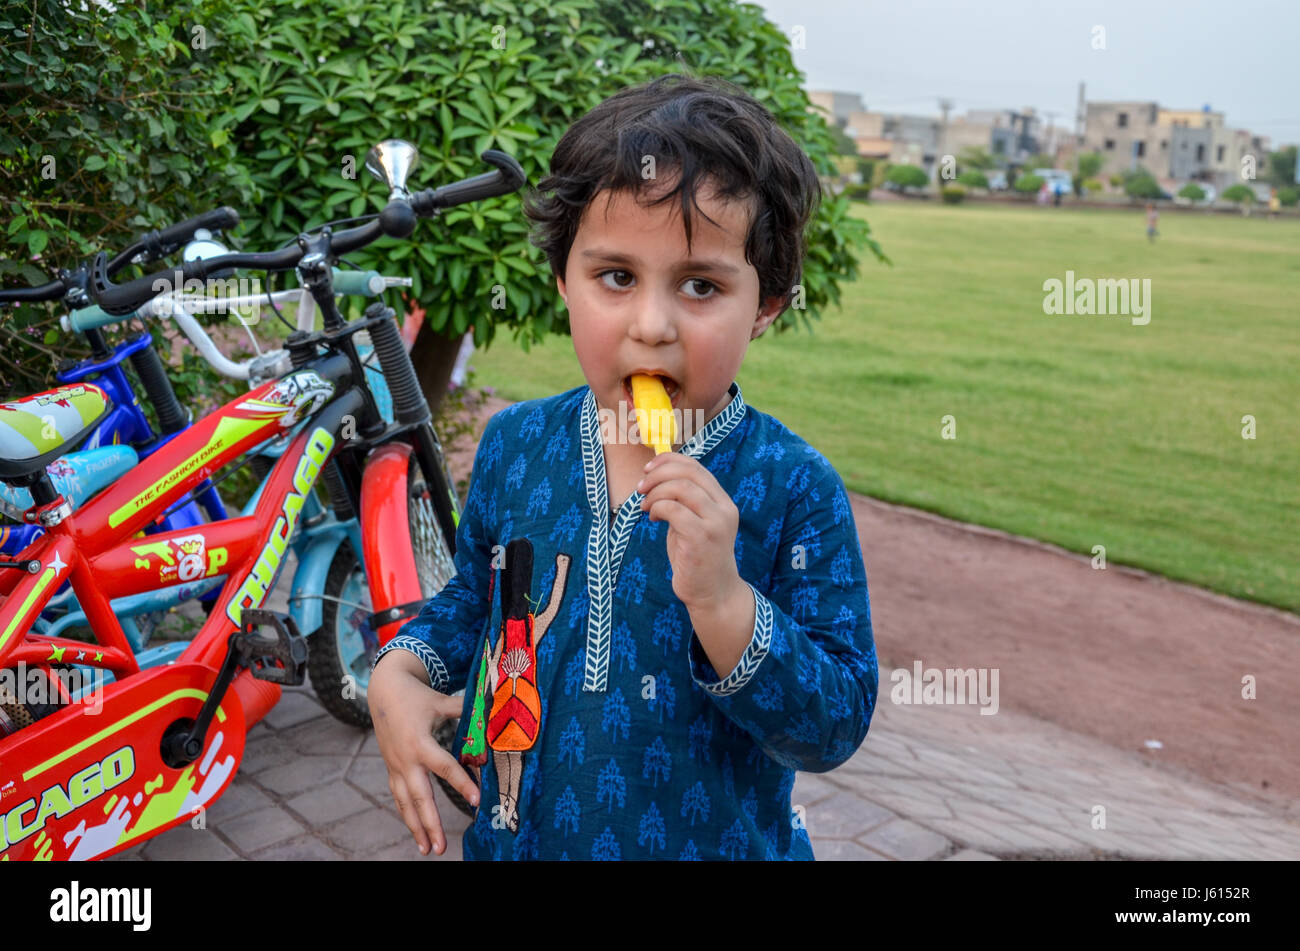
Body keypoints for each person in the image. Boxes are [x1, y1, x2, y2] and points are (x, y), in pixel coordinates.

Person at [366, 72, 878, 861]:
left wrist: (725, 601)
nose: (651, 325)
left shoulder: (793, 484)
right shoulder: (516, 445)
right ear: (562, 281)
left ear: (767, 304)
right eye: (615, 277)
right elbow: (473, 603)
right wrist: (399, 671)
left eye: (701, 285)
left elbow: (834, 723)